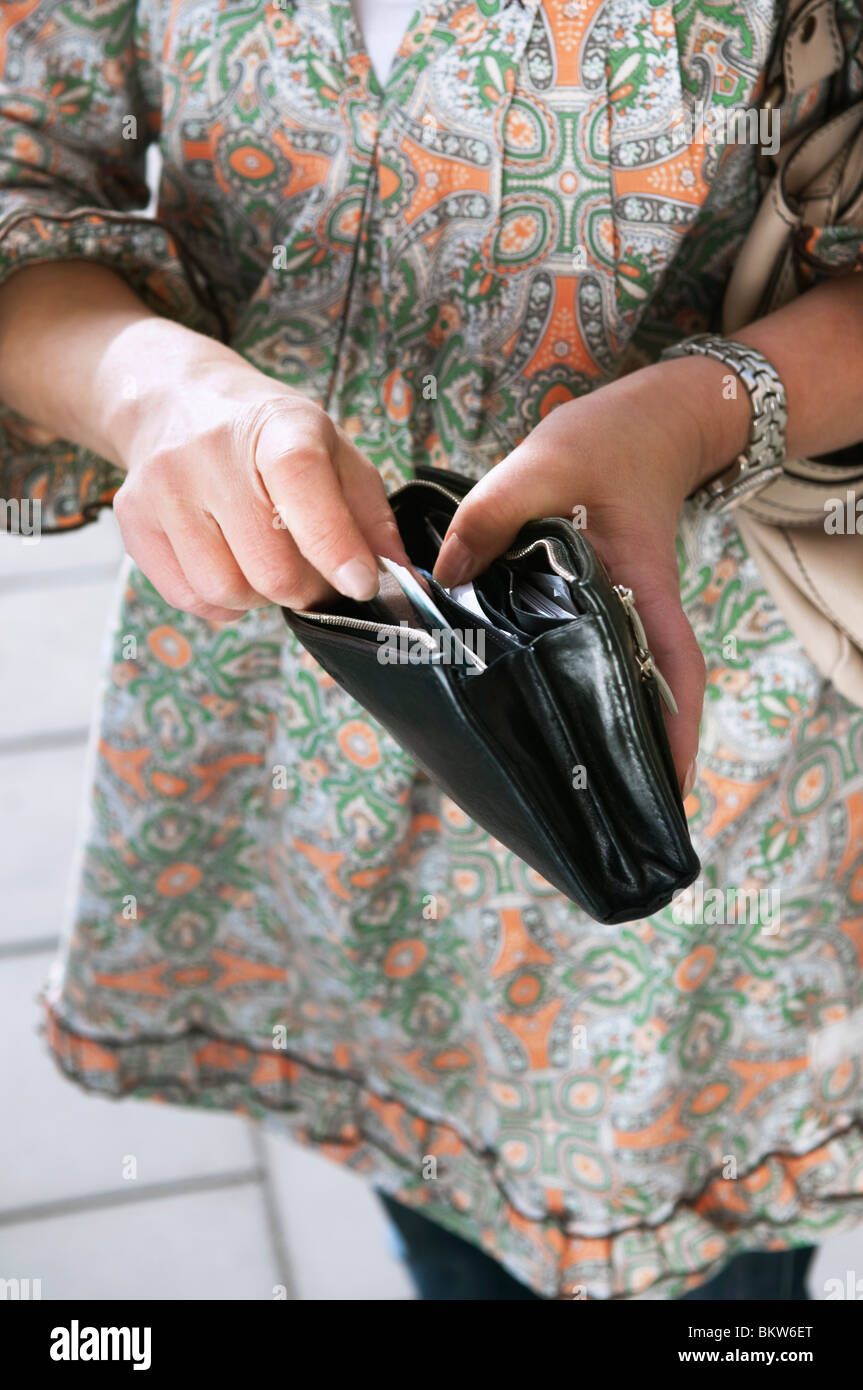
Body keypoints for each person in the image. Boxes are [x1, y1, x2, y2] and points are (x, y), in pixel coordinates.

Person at [1, 0, 862, 1301]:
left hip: (676, 724)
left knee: (706, 1284)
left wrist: (696, 412)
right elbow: (24, 161)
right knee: (437, 1228)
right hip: (313, 715)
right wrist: (153, 390)